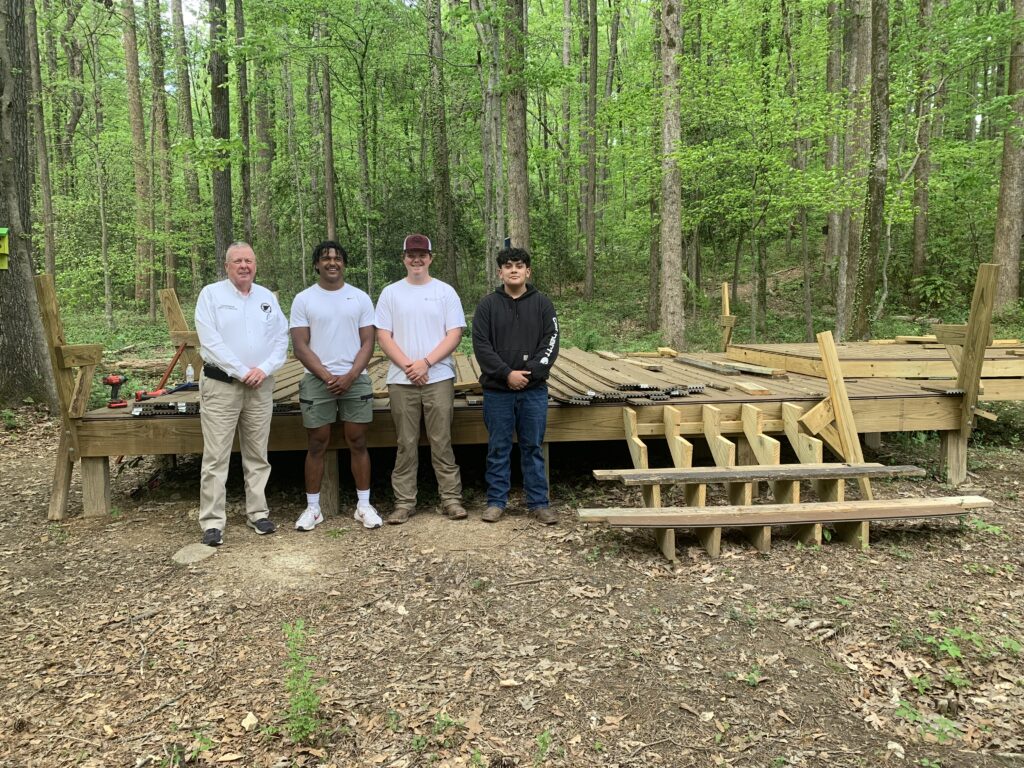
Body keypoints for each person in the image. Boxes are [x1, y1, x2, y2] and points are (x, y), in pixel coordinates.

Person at [194, 242, 288, 546]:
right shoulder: (211, 295)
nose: (244, 266)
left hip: (260, 386)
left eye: (249, 260)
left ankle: (258, 513)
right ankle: (212, 522)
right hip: (222, 386)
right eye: (238, 261)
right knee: (216, 456)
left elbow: (280, 339)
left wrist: (265, 368)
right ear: (227, 266)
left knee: (257, 454)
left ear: (255, 265)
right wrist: (240, 370)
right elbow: (210, 342)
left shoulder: (266, 298)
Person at [374, 234, 467, 523]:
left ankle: (451, 499)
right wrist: (408, 365)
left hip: (438, 376)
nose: (416, 259)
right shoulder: (391, 293)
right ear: (403, 257)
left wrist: (426, 362)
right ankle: (404, 502)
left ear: (430, 257)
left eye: (422, 254)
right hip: (401, 380)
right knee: (406, 442)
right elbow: (383, 335)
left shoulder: (445, 292)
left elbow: (455, 333)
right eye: (411, 254)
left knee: (442, 440)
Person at [290, 241, 382, 531]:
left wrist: (351, 375)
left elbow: (369, 341)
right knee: (317, 442)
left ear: (344, 263)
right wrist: (327, 376)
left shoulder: (359, 298)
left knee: (358, 440)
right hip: (318, 381)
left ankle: (364, 505)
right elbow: (300, 345)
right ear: (316, 264)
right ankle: (313, 508)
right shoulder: (304, 299)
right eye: (326, 258)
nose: (332, 262)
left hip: (355, 379)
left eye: (338, 258)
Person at [471, 247, 559, 525]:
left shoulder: (543, 304)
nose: (513, 270)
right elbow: (481, 346)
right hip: (498, 391)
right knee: (498, 447)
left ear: (527, 271)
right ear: (500, 272)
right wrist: (507, 373)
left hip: (533, 391)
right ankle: (497, 502)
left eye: (519, 265)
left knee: (532, 446)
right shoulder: (487, 306)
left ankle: (538, 503)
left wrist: (530, 373)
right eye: (507, 266)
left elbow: (551, 342)